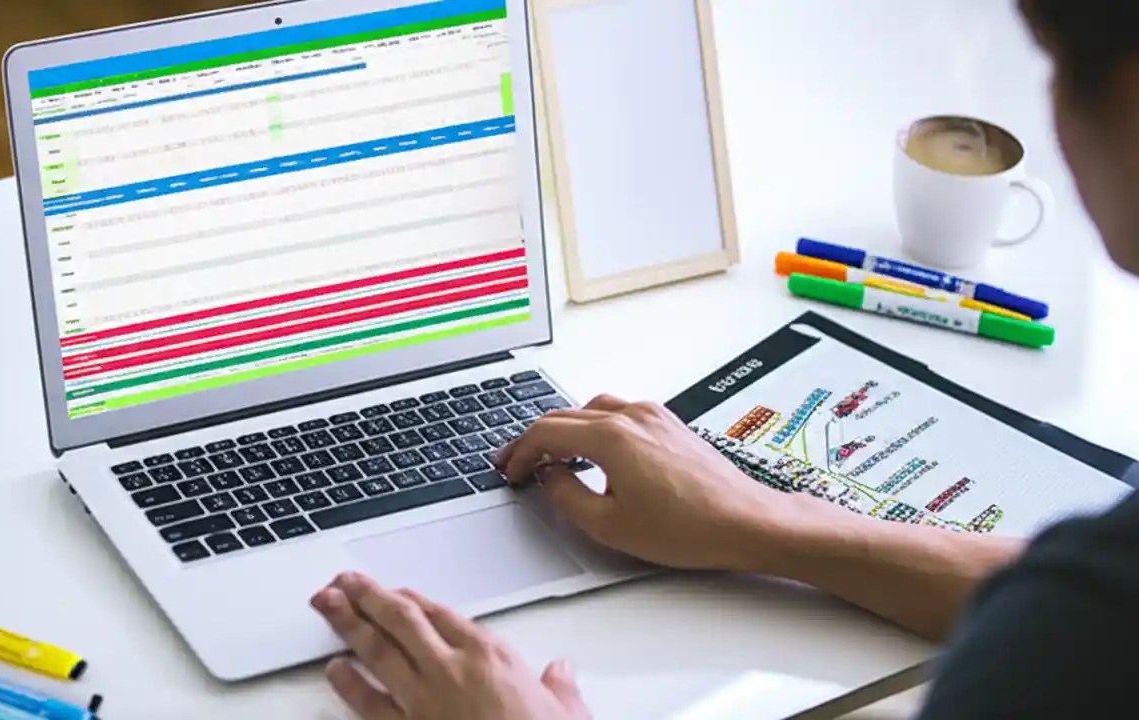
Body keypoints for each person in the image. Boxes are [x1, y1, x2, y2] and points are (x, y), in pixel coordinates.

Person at [308, 2, 1139, 718]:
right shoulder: (1084, 599)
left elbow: (1081, 608)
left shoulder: (1059, 656)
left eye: (1055, 65)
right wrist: (762, 521)